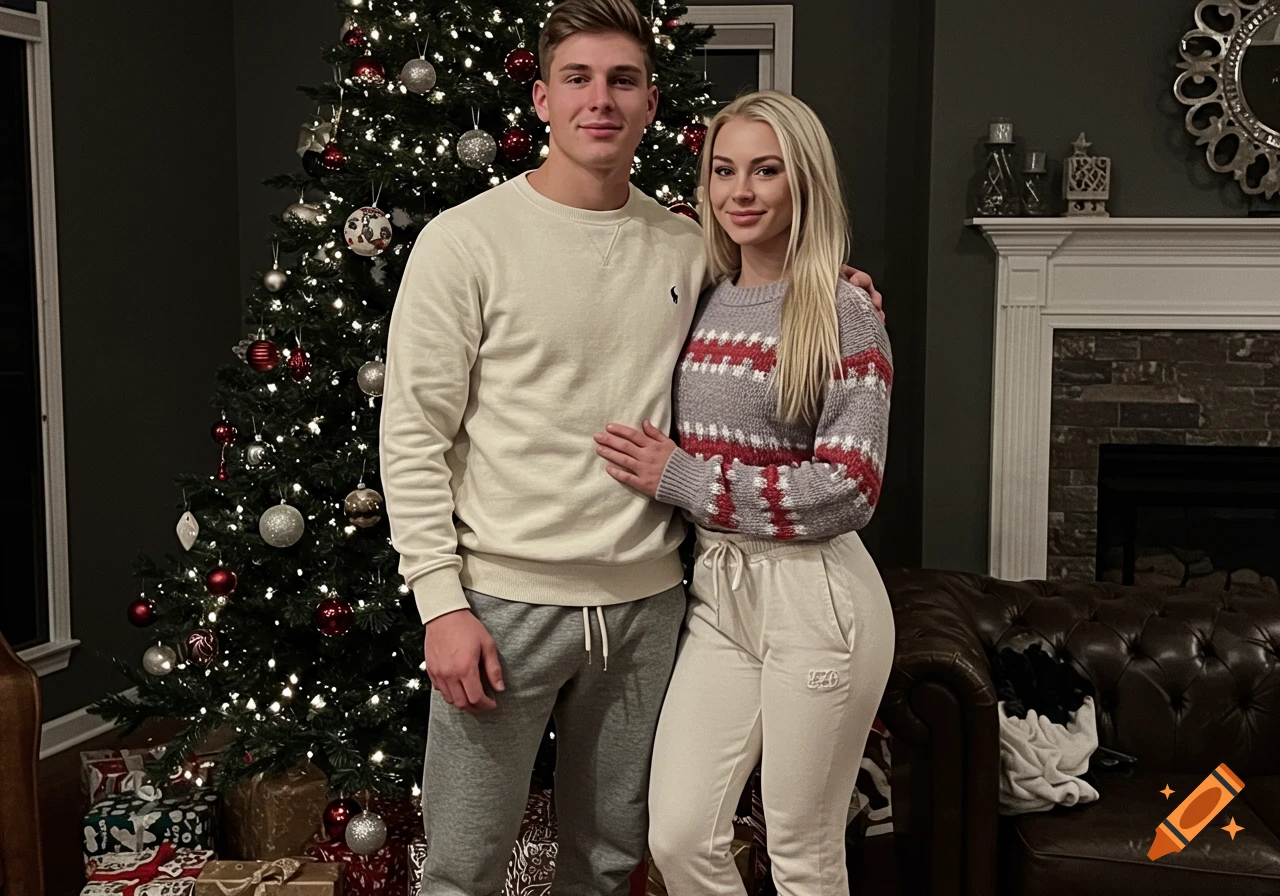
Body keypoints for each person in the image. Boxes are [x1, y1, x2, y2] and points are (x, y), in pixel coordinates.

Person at [380, 1, 883, 892]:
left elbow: (770, 299)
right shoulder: (463, 243)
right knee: (461, 866)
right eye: (577, 79)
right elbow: (414, 433)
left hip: (651, 611)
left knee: (613, 862)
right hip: (502, 604)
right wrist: (439, 603)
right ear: (541, 98)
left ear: (652, 103)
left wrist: (834, 281)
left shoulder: (688, 247)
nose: (599, 100)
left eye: (622, 81)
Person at [593, 90, 895, 896]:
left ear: (805, 182)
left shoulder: (843, 312)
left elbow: (848, 488)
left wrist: (683, 478)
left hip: (817, 598)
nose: (742, 192)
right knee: (682, 835)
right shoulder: (704, 295)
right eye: (724, 171)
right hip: (720, 593)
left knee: (800, 850)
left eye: (767, 171)